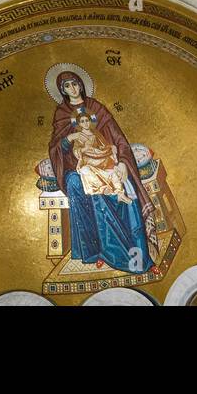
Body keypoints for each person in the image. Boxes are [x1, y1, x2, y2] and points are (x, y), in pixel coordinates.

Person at [46, 69, 156, 273]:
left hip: (107, 163)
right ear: (62, 90)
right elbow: (56, 147)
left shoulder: (97, 108)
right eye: (67, 86)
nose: (73, 88)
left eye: (75, 83)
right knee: (78, 184)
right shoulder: (62, 114)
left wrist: (123, 162)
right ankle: (97, 250)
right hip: (79, 167)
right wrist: (67, 140)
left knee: (124, 186)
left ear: (81, 84)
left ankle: (138, 256)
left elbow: (118, 139)